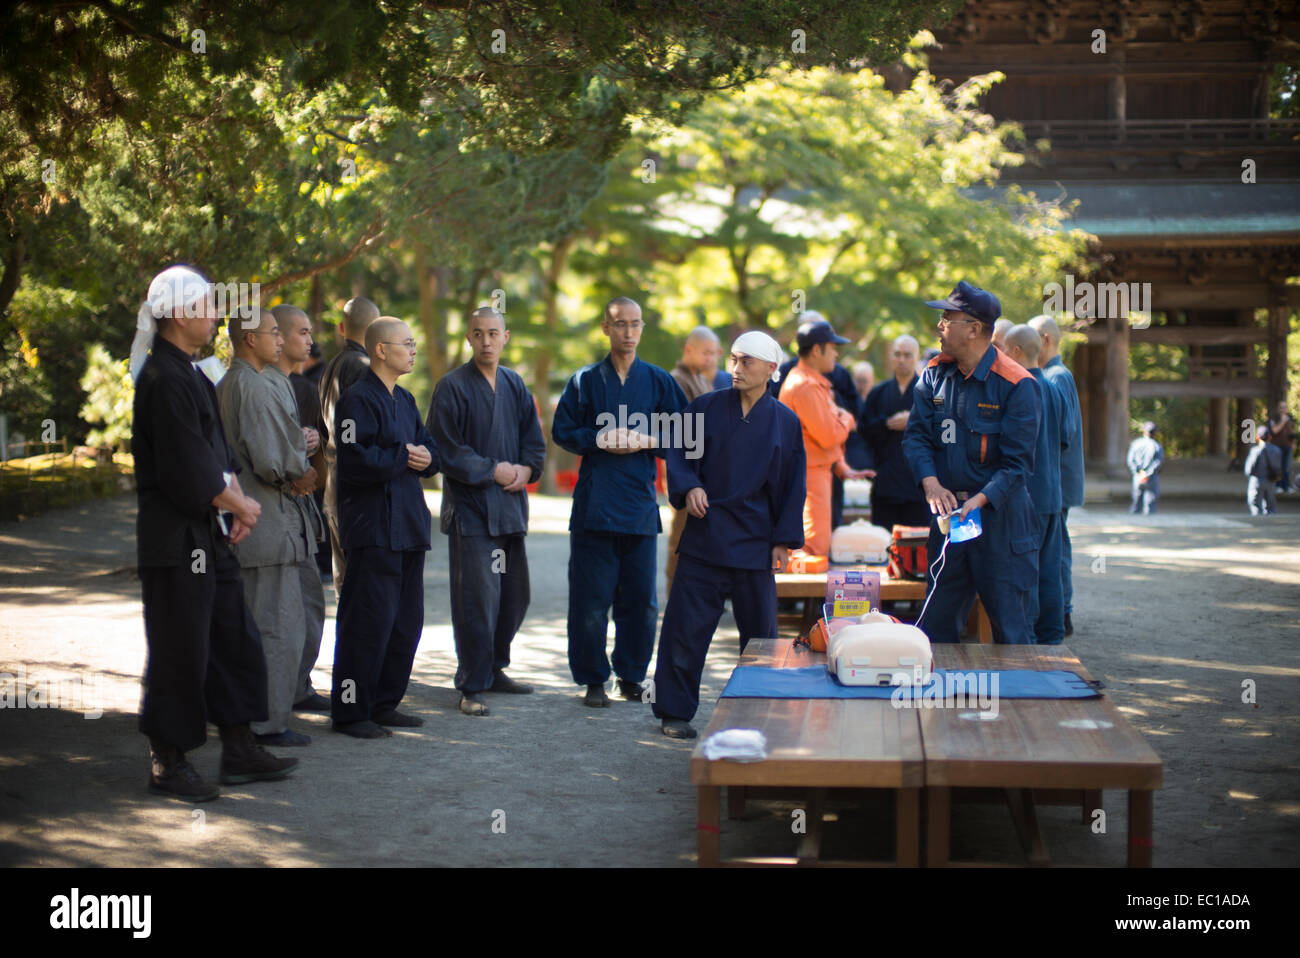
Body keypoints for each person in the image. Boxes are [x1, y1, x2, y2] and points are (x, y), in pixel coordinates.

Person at [129, 265, 296, 800]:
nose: (215, 315)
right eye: (205, 307)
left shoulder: (192, 372)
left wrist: (231, 511)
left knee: (233, 637)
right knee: (180, 646)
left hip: (207, 533)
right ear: (180, 315)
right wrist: (241, 505)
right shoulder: (162, 378)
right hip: (175, 541)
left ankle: (239, 744)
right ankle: (167, 760)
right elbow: (186, 468)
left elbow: (216, 456)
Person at [651, 331, 806, 739]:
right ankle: (674, 711)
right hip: (706, 535)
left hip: (756, 543)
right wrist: (690, 487)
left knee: (761, 639)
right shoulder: (702, 408)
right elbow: (678, 456)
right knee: (685, 629)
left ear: (772, 370)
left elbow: (794, 487)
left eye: (746, 362)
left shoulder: (787, 423)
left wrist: (783, 541)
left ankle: (759, 711)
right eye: (733, 359)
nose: (735, 368)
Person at [552, 297, 687, 708]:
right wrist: (598, 439)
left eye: (634, 324)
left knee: (641, 601)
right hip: (595, 505)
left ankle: (630, 675)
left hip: (640, 507)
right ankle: (594, 678)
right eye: (619, 324)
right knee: (591, 600)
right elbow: (562, 429)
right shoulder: (585, 380)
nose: (628, 332)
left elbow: (686, 433)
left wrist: (649, 441)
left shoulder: (659, 381)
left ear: (642, 328)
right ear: (605, 328)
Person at [902, 280, 1041, 645]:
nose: (940, 326)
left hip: (1000, 522)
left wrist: (977, 502)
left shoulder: (1016, 384)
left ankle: (1019, 703)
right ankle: (933, 703)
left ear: (974, 330)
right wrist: (930, 483)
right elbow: (916, 436)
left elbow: (1018, 465)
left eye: (948, 318)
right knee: (934, 632)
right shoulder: (934, 374)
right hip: (950, 524)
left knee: (1012, 634)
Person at [427, 307, 546, 717]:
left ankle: (495, 668)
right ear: (469, 339)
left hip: (510, 505)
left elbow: (533, 439)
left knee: (514, 596)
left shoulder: (514, 384)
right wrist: (492, 470)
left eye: (493, 333)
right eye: (478, 334)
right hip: (473, 510)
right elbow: (446, 448)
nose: (487, 341)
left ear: (506, 337)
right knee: (477, 598)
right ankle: (472, 683)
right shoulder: (451, 387)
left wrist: (528, 469)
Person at [331, 317, 441, 738]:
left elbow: (430, 449)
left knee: (404, 622)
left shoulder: (407, 399)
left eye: (414, 344)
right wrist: (405, 456)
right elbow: (355, 459)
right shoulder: (356, 400)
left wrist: (425, 459)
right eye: (406, 344)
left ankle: (383, 702)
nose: (413, 350)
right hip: (373, 526)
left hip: (409, 525)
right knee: (366, 623)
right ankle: (350, 712)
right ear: (380, 349)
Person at [216, 308, 321, 746]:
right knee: (275, 628)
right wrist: (301, 469)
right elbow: (271, 459)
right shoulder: (249, 385)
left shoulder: (241, 381)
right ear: (248, 339)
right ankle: (264, 725)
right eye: (272, 333)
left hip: (266, 521)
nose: (280, 340)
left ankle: (267, 715)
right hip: (263, 521)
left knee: (280, 623)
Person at [270, 304, 330, 713]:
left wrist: (313, 462)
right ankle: (272, 700)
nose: (310, 341)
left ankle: (299, 686)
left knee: (311, 604)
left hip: (303, 506)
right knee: (277, 613)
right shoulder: (256, 385)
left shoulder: (307, 389)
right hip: (268, 509)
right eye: (302, 333)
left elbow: (322, 446)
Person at [778, 317, 872, 558]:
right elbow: (829, 435)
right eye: (833, 349)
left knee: (816, 547)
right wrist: (849, 420)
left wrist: (842, 467)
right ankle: (794, 596)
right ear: (817, 350)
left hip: (817, 472)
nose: (836, 355)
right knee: (813, 549)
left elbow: (823, 432)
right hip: (809, 476)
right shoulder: (805, 386)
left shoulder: (813, 383)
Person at [1006, 324, 1068, 645]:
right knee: (1049, 569)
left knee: (1026, 571)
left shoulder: (1020, 389)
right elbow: (1066, 438)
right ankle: (1053, 635)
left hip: (1028, 493)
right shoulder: (1055, 389)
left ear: (1016, 352)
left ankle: (1028, 638)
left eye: (1003, 350)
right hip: (1052, 492)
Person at [319, 296, 380, 593]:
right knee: (363, 586)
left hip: (334, 481)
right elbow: (361, 436)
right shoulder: (365, 369)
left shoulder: (332, 367)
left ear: (342, 327)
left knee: (344, 581)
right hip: (357, 489)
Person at [1029, 315, 1084, 636]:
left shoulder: (1056, 376)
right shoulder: (1053, 375)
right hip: (1054, 479)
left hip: (1056, 479)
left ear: (1045, 340)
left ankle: (1063, 611)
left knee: (1056, 549)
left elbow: (1065, 431)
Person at [666, 326, 725, 592]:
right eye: (705, 353)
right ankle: (676, 592)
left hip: (705, 471)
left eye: (714, 354)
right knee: (682, 536)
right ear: (688, 350)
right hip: (686, 471)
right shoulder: (678, 380)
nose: (711, 359)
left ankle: (695, 593)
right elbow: (682, 430)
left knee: (700, 536)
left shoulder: (699, 378)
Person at [859, 335, 930, 530]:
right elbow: (864, 430)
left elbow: (939, 430)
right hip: (886, 481)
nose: (901, 360)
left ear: (916, 358)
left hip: (918, 484)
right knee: (885, 545)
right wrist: (888, 424)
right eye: (897, 354)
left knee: (918, 547)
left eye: (907, 355)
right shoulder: (878, 393)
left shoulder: (928, 393)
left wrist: (913, 422)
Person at [1245, 425, 1283, 516]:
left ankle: (1258, 523)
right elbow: (1279, 467)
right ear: (1270, 437)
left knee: (1255, 504)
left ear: (1258, 437)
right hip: (1271, 480)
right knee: (1270, 504)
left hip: (1257, 480)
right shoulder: (1277, 450)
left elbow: (1248, 469)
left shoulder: (1255, 450)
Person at [845, 361, 875, 472]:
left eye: (865, 381)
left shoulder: (878, 400)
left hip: (872, 459)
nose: (861, 385)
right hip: (851, 458)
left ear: (872, 381)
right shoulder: (846, 401)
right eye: (858, 381)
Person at [1126, 421, 1163, 515]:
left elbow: (1130, 460)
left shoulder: (1135, 444)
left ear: (1144, 432)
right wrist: (1147, 474)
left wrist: (1138, 472)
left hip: (1138, 476)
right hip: (1151, 477)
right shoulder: (1156, 446)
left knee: (1136, 502)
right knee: (1150, 503)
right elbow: (1157, 462)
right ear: (1155, 433)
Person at [1268, 402, 1293, 493]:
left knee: (1286, 467)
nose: (1283, 409)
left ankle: (1286, 486)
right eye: (1281, 407)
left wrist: (1293, 442)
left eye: (1284, 407)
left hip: (1287, 446)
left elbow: (1292, 432)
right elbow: (1274, 431)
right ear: (1278, 409)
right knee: (1278, 467)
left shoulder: (1290, 419)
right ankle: (1278, 486)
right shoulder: (1274, 419)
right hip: (1277, 447)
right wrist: (1282, 421)